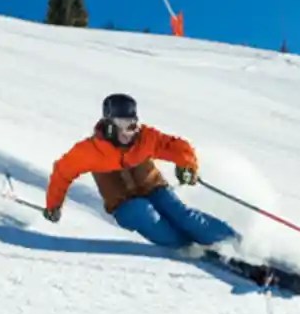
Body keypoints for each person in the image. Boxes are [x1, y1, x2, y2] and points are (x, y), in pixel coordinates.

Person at [43, 93, 239, 253]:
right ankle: (188, 247)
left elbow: (175, 146)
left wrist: (186, 165)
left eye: (133, 124)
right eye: (123, 124)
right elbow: (62, 173)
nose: (130, 131)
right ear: (110, 125)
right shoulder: (89, 151)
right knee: (146, 215)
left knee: (183, 215)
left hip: (154, 188)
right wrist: (53, 205)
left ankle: (234, 243)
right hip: (124, 204)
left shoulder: (144, 138)